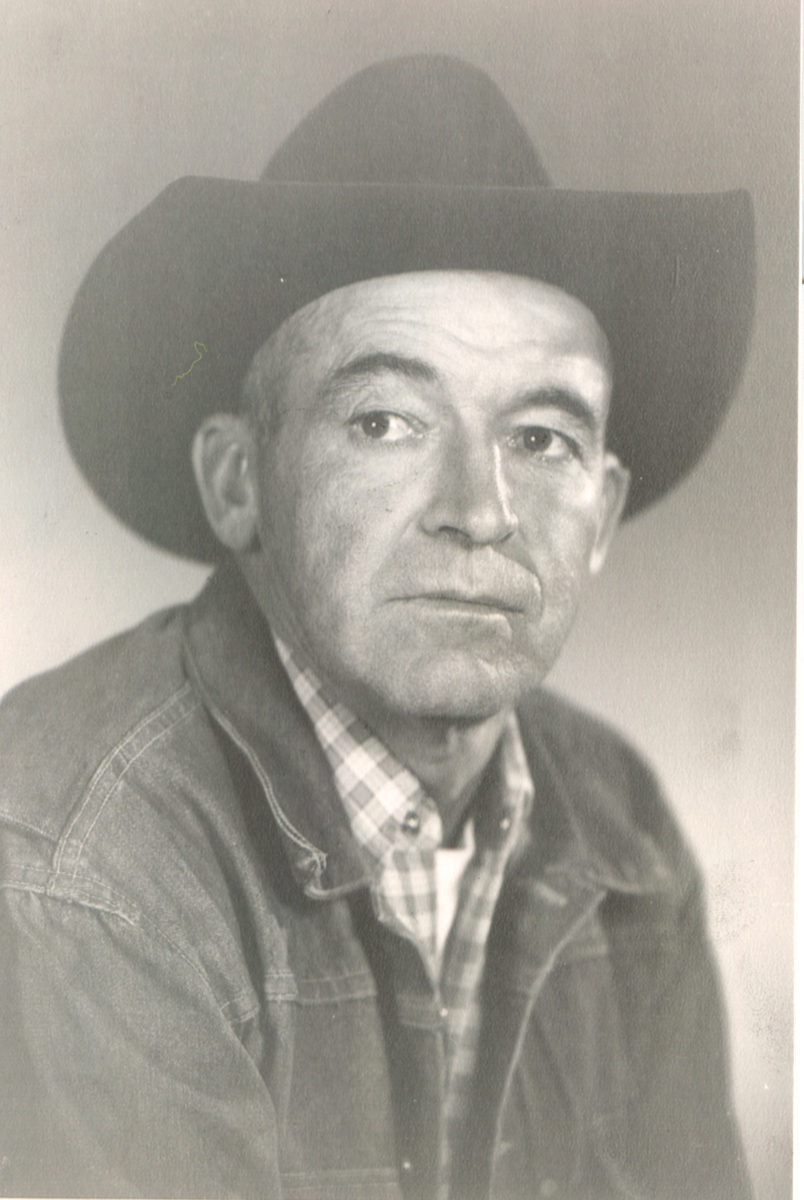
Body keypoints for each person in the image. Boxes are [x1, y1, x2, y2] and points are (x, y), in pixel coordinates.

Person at [0, 55, 755, 1200]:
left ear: (601, 516)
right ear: (239, 482)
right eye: (388, 420)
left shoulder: (624, 827)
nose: (482, 511)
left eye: (542, 437)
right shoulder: (82, 860)